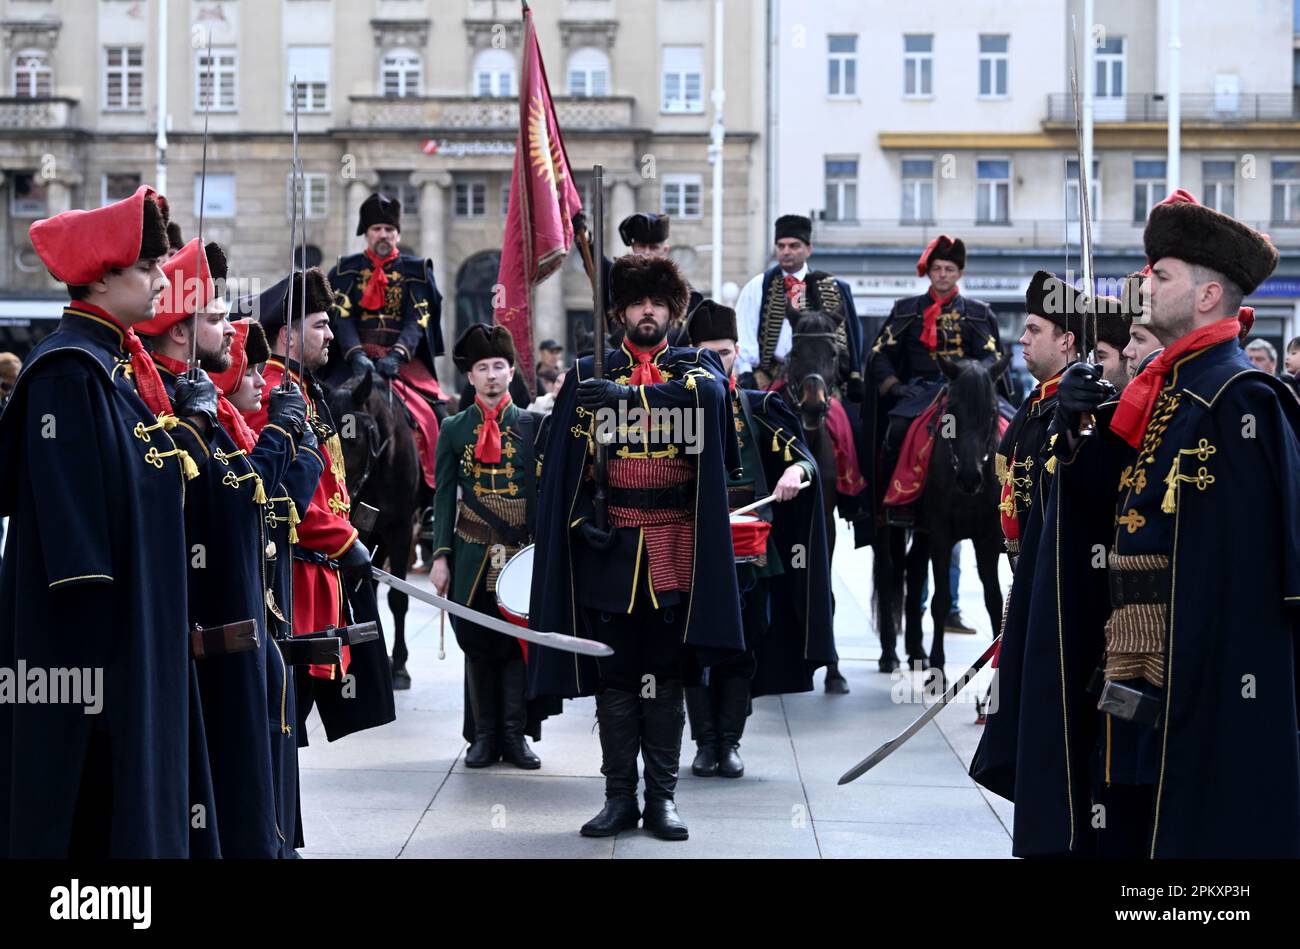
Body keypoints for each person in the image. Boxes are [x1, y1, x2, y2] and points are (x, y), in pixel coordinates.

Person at [998, 189, 1300, 858]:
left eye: (1160, 275)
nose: (1143, 284)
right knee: (1127, 827)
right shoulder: (1158, 394)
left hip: (1198, 678)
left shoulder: (1239, 400)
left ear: (1207, 298)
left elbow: (1253, 580)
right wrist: (1076, 428)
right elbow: (1097, 507)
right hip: (1130, 665)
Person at [0, 185, 221, 856]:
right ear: (102, 275)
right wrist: (105, 680)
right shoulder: (68, 372)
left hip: (137, 641)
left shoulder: (114, 368)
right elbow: (77, 552)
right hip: (92, 656)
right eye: (148, 268)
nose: (163, 281)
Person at [529, 255, 744, 841]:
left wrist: (621, 401)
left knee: (667, 673)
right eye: (636, 302)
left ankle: (664, 800)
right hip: (612, 545)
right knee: (618, 678)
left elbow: (702, 407)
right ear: (619, 311)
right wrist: (576, 524)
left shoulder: (697, 365)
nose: (647, 311)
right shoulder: (586, 370)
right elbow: (562, 469)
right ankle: (619, 797)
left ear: (672, 312)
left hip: (674, 540)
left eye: (657, 303)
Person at [136, 238, 310, 858]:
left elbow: (261, 502)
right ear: (181, 334)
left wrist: (295, 441)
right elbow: (233, 497)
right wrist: (270, 438)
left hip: (244, 610)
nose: (230, 331)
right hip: (206, 620)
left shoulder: (203, 402)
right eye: (212, 317)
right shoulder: (165, 396)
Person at [684, 300, 834, 778]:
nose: (717, 361)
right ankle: (703, 741)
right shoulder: (670, 407)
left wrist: (795, 470)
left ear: (737, 353)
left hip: (752, 549)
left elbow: (807, 459)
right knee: (693, 647)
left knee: (743, 645)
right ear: (690, 354)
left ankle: (728, 742)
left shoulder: (760, 406)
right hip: (689, 545)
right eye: (707, 352)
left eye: (725, 352)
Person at [252, 269, 396, 744]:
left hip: (319, 580)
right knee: (280, 725)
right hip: (291, 579)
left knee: (293, 726)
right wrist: (344, 539)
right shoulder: (269, 393)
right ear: (286, 333)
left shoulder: (305, 388)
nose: (332, 334)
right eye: (319, 324)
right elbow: (278, 493)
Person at [429, 323, 544, 770]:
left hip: (518, 556)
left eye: (499, 366)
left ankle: (515, 738)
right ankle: (483, 736)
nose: (492, 375)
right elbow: (443, 496)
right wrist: (440, 556)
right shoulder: (454, 429)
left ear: (512, 371)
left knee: (516, 644)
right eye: (483, 368)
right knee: (477, 642)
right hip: (472, 552)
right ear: (471, 377)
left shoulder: (532, 427)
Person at [864, 234, 1007, 530]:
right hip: (920, 391)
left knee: (1012, 426)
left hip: (968, 392)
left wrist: (973, 376)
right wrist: (895, 386)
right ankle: (895, 504)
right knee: (896, 431)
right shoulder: (906, 310)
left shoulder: (979, 314)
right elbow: (879, 355)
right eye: (938, 268)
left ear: (960, 274)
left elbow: (994, 356)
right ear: (929, 272)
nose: (943, 275)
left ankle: (1010, 502)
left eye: (949, 269)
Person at [327, 192, 448, 519]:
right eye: (377, 229)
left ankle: (430, 505)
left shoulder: (416, 271)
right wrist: (354, 355)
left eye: (389, 229)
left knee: (436, 414)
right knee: (324, 405)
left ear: (398, 234)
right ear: (366, 233)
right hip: (355, 360)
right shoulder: (345, 270)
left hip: (401, 362)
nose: (383, 235)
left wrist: (398, 354)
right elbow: (341, 316)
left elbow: (418, 317)